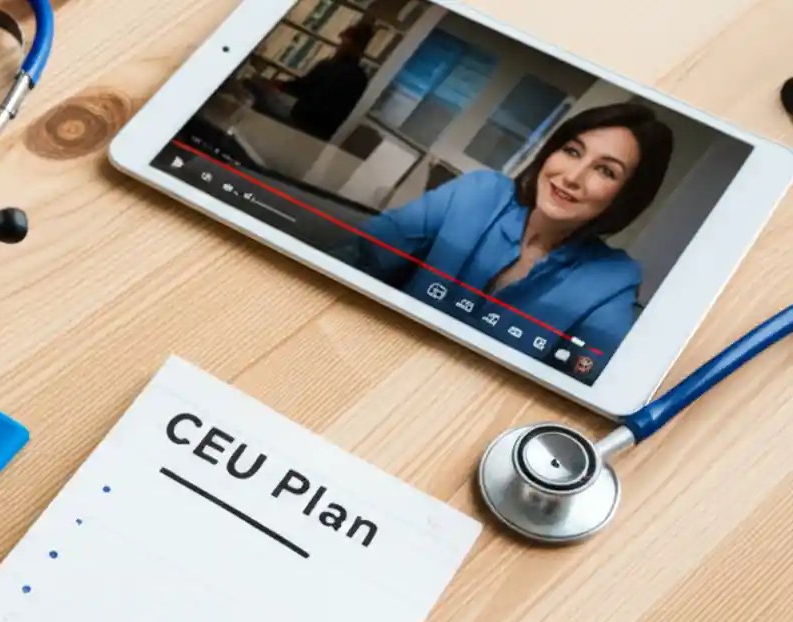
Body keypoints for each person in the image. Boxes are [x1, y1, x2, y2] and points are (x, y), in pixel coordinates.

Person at [343, 102, 674, 372]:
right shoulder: (481, 192)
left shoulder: (613, 278)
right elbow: (361, 253)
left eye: (605, 171)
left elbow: (596, 376)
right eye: (573, 151)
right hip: (374, 354)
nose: (572, 177)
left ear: (626, 196)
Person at [259, 22, 377, 140]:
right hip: (322, 132)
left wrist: (280, 85)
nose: (338, 46)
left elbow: (305, 90)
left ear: (349, 44)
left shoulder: (331, 67)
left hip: (302, 121)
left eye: (342, 42)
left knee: (258, 93)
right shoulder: (360, 77)